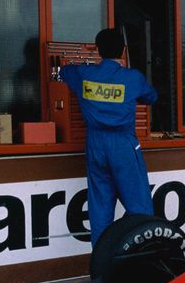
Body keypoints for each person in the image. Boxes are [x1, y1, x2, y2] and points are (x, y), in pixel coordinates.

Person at [61, 28, 158, 247]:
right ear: (123, 50)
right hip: (123, 143)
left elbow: (64, 71)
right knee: (139, 207)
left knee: (100, 209)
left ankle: (102, 266)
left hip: (95, 144)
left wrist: (85, 58)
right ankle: (138, 259)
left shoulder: (84, 75)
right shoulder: (132, 78)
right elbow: (151, 97)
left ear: (98, 50)